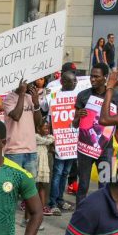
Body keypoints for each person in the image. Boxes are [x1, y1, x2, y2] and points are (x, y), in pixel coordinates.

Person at [74, 63, 118, 206]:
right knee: (83, 185)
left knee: (105, 185)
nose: (92, 79)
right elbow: (74, 124)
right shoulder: (83, 96)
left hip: (105, 148)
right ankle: (79, 216)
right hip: (85, 148)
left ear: (105, 78)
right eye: (91, 76)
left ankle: (104, 215)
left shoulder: (114, 96)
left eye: (96, 76)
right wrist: (78, 117)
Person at [46, 70, 78, 215]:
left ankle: (60, 199)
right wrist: (52, 140)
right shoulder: (54, 96)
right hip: (60, 141)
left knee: (65, 172)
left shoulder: (78, 97)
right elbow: (50, 120)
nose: (75, 83)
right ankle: (52, 202)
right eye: (73, 81)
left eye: (76, 81)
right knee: (58, 172)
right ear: (64, 82)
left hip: (71, 141)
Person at [2, 79, 42, 179]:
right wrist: (22, 94)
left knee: (30, 186)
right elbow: (16, 116)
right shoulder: (9, 99)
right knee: (12, 185)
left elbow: (38, 123)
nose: (29, 84)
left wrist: (36, 104)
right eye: (25, 82)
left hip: (31, 150)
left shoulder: (30, 98)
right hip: (14, 151)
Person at [34, 119, 54, 219]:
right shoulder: (36, 137)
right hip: (36, 163)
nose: (47, 130)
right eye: (45, 128)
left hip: (43, 163)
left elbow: (50, 139)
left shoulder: (46, 137)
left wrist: (51, 138)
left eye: (48, 128)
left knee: (42, 185)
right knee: (33, 185)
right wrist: (52, 139)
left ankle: (43, 206)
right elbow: (48, 140)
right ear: (38, 128)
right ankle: (29, 204)